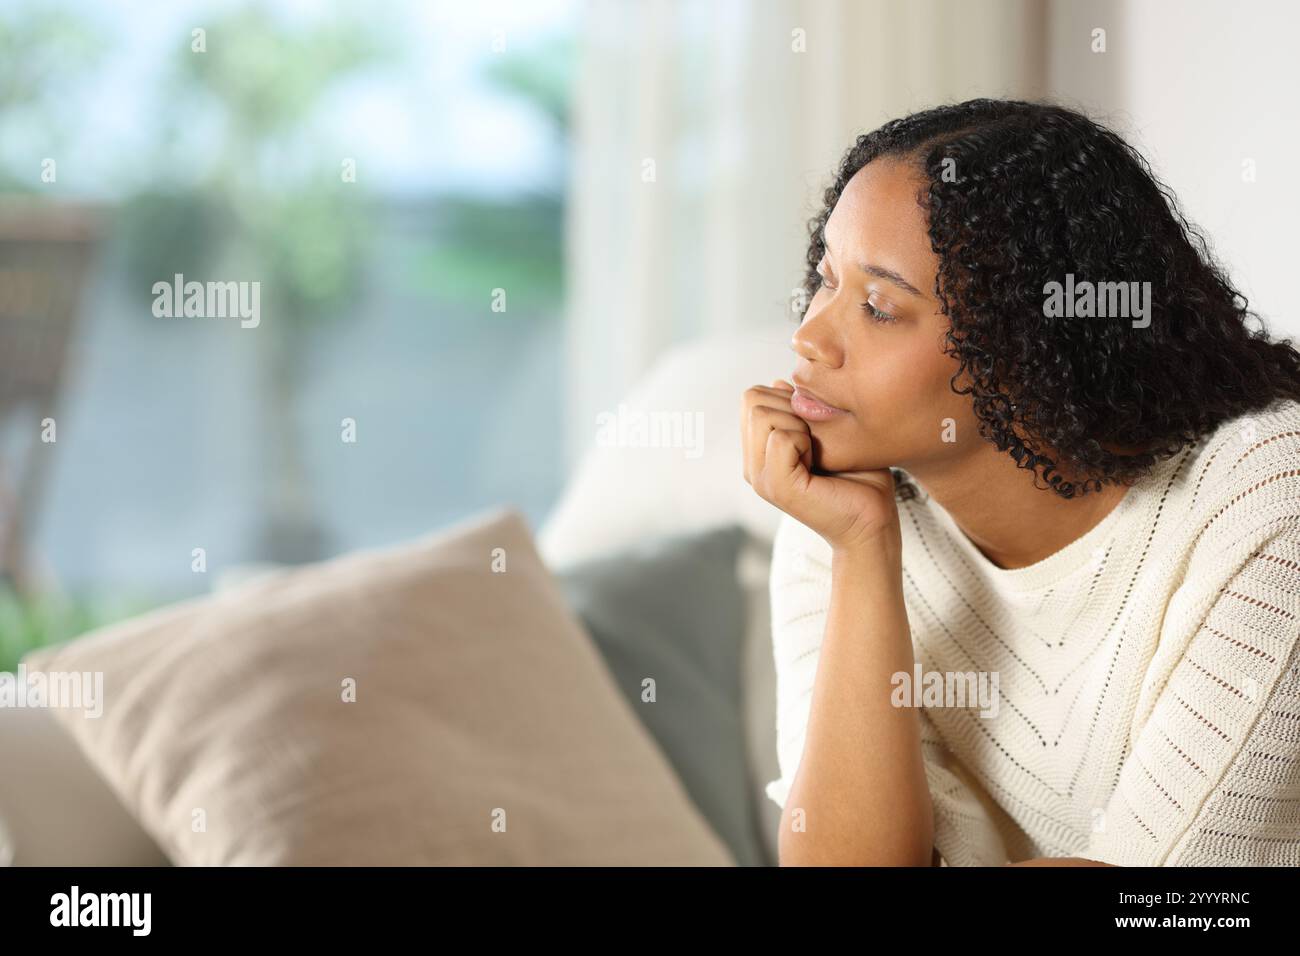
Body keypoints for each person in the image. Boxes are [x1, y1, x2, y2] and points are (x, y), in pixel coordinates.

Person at [741, 98, 1300, 866]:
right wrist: (863, 549)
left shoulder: (1264, 493)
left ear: (1023, 342)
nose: (808, 336)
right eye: (825, 278)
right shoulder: (839, 522)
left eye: (877, 306)